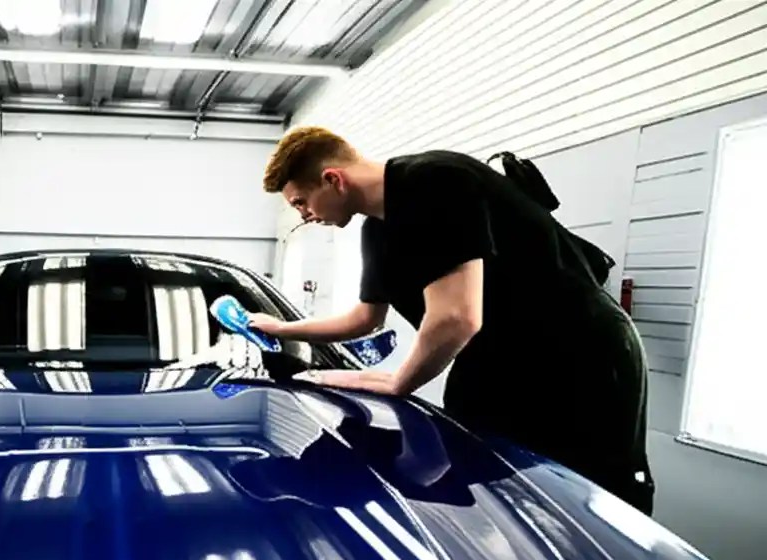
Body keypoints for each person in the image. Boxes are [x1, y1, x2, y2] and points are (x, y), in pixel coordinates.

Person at [252, 126, 655, 513]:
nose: (305, 215)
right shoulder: (376, 231)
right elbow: (364, 319)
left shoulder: (435, 181)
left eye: (301, 202)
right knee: (494, 486)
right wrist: (280, 328)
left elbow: (457, 318)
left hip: (583, 355)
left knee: (597, 498)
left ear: (333, 179)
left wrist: (397, 382)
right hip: (502, 359)